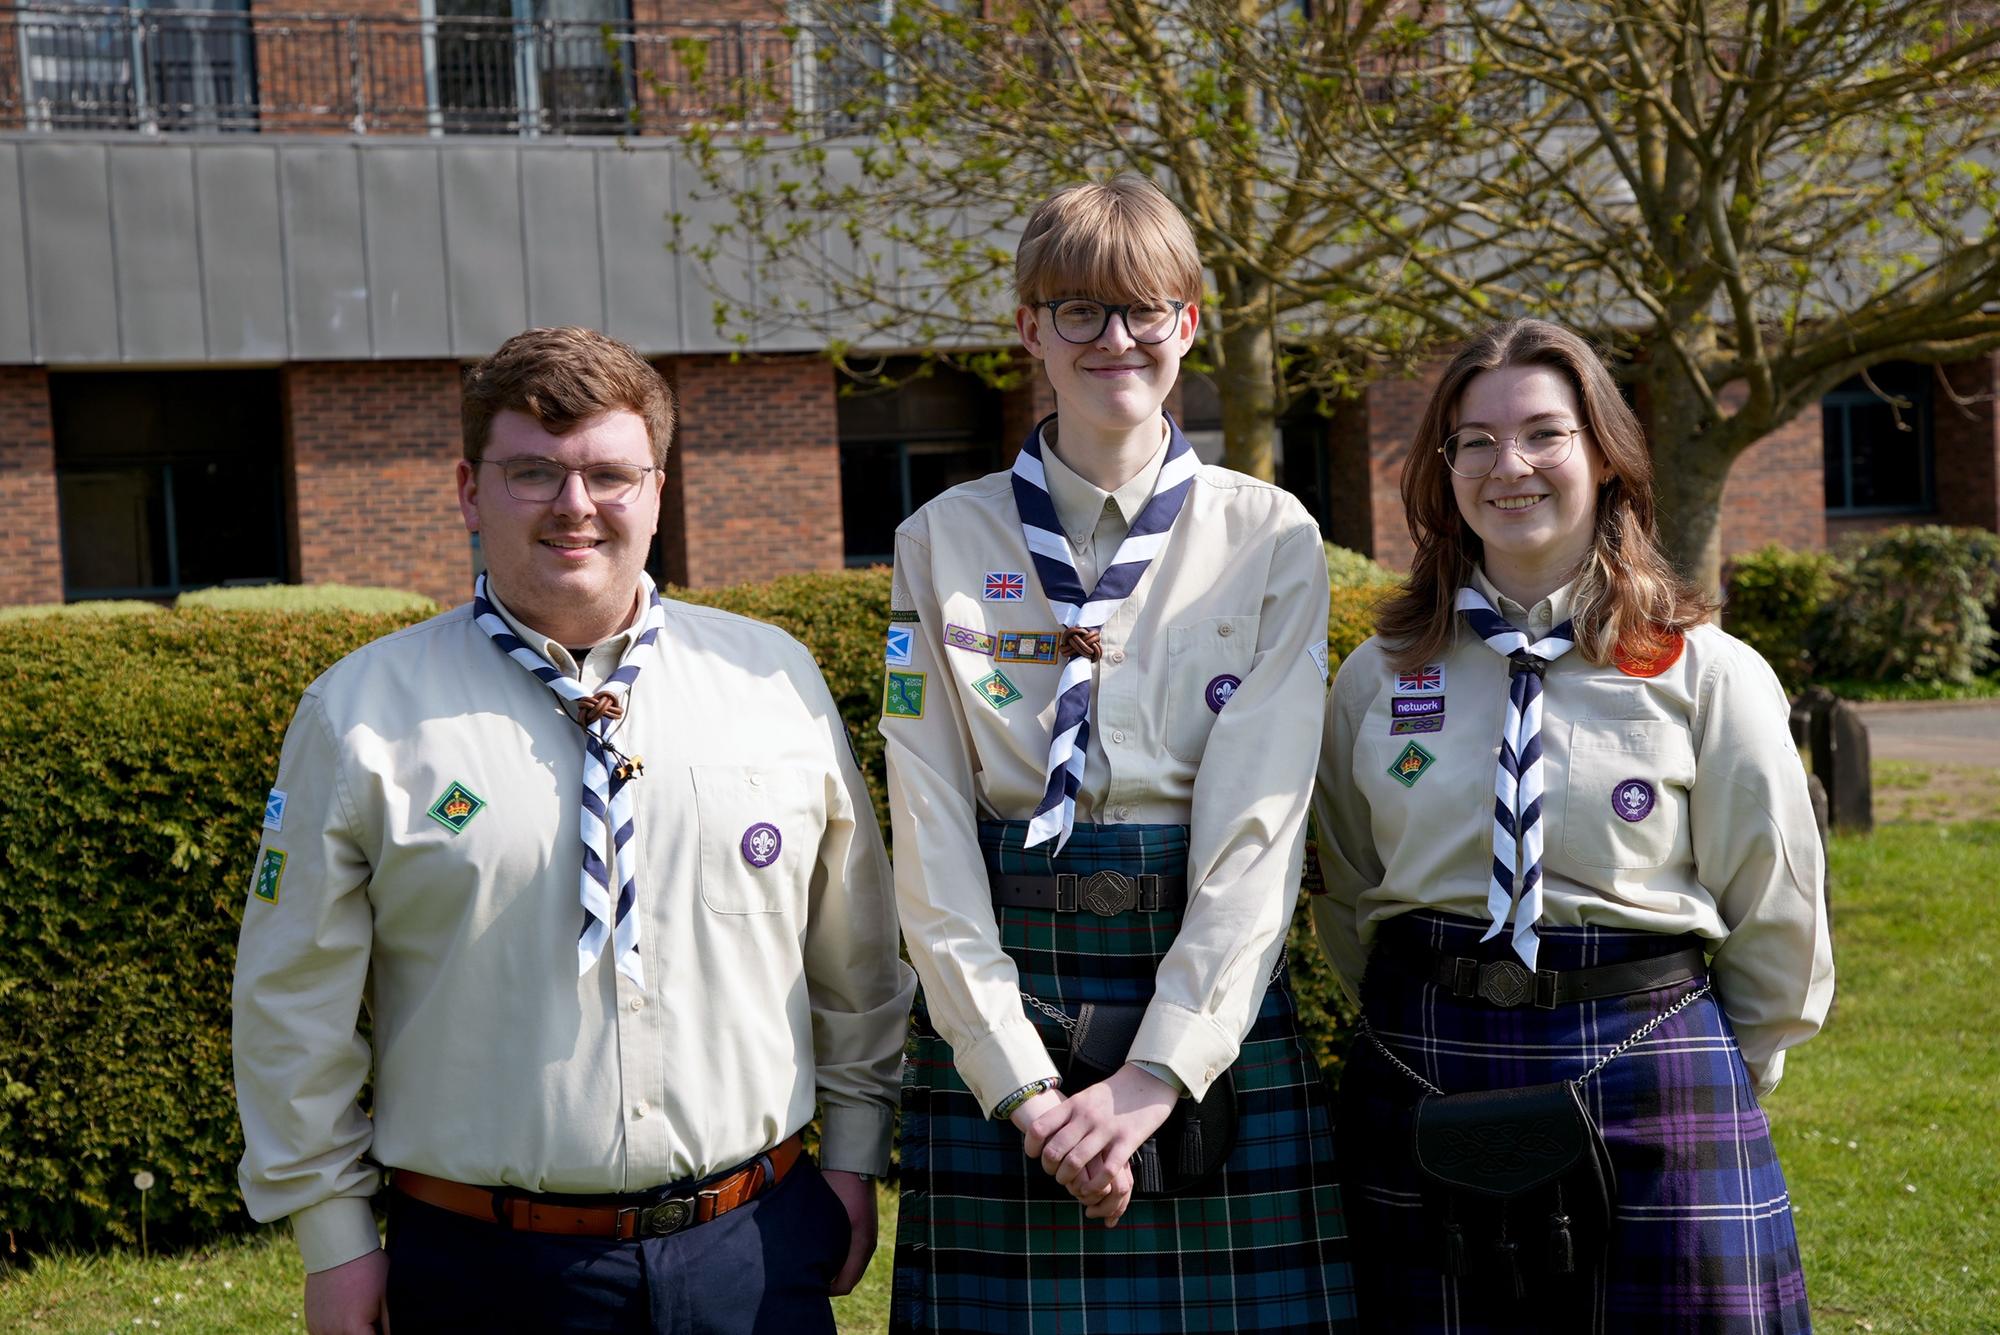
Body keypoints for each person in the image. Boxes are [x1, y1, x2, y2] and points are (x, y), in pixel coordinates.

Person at [232, 326, 914, 1335]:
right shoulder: (360, 715)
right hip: (483, 1269)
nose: (575, 505)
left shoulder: (773, 684)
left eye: (608, 473)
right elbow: (293, 1006)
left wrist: (854, 1154)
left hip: (755, 1253)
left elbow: (854, 954)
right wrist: (334, 1240)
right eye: (533, 473)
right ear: (469, 489)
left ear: (657, 487)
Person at [881, 175, 1357, 1333]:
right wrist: (1018, 1086)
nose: (1116, 339)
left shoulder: (1269, 538)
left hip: (1201, 995)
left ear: (1187, 324)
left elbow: (1259, 833)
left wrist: (1159, 1070)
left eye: (1146, 309)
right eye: (1079, 311)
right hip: (1006, 981)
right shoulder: (938, 540)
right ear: (1026, 328)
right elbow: (930, 827)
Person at [1314, 318, 1833, 1332]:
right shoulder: (1375, 678)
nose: (1508, 466)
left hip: (1650, 1070)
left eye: (1543, 434)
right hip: (1427, 1063)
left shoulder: (1703, 673)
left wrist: (1726, 1063)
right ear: (1441, 468)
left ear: (1602, 453)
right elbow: (1344, 883)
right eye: (1472, 441)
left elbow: (1774, 896)